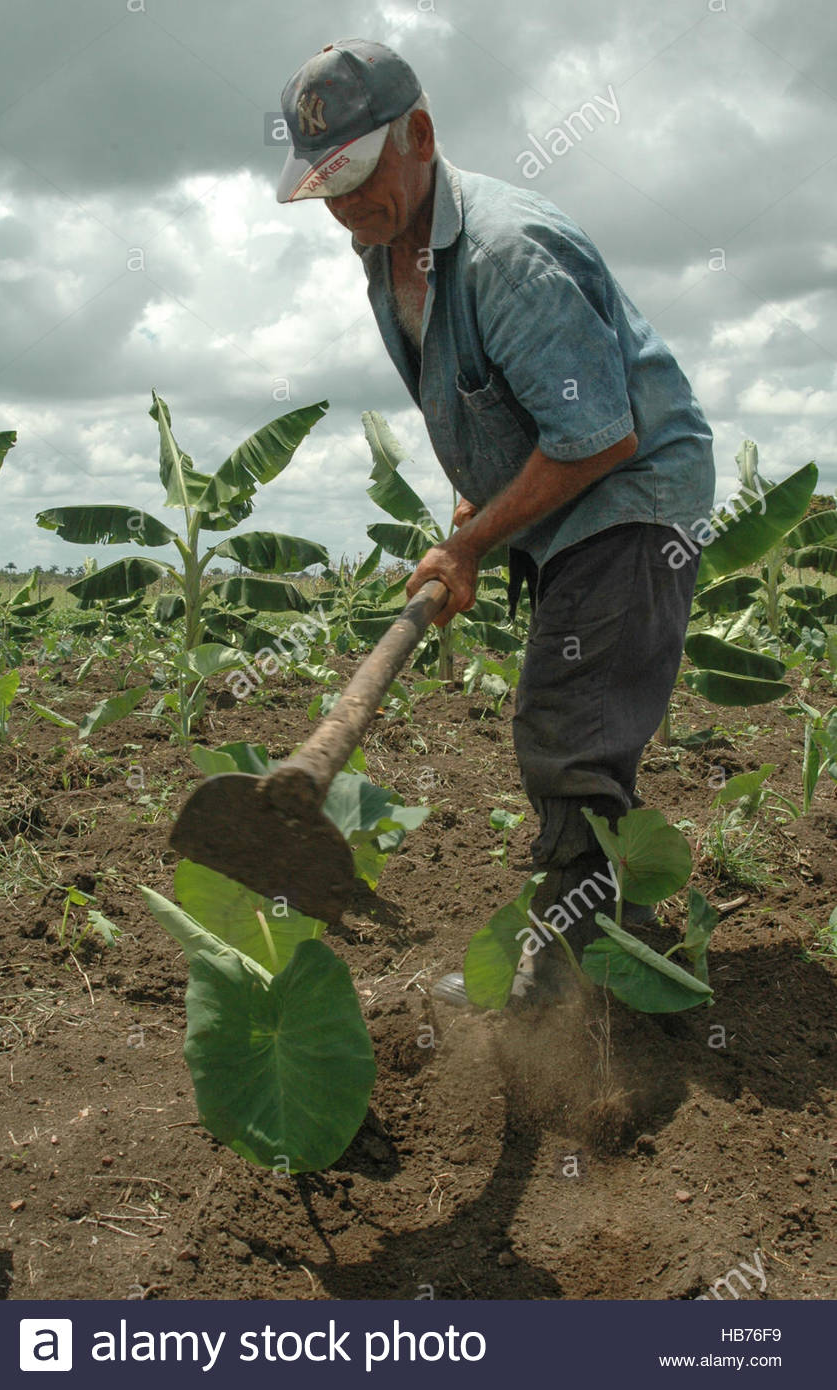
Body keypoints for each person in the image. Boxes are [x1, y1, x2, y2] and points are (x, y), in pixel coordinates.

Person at [277, 38, 716, 1002]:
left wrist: (471, 542)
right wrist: (477, 501)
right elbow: (491, 400)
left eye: (357, 178)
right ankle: (612, 941)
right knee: (579, 720)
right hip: (566, 497)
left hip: (632, 498)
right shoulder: (386, 252)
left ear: (419, 136)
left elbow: (599, 438)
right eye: (325, 189)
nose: (345, 208)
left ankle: (567, 977)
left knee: (565, 723)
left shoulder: (508, 253)